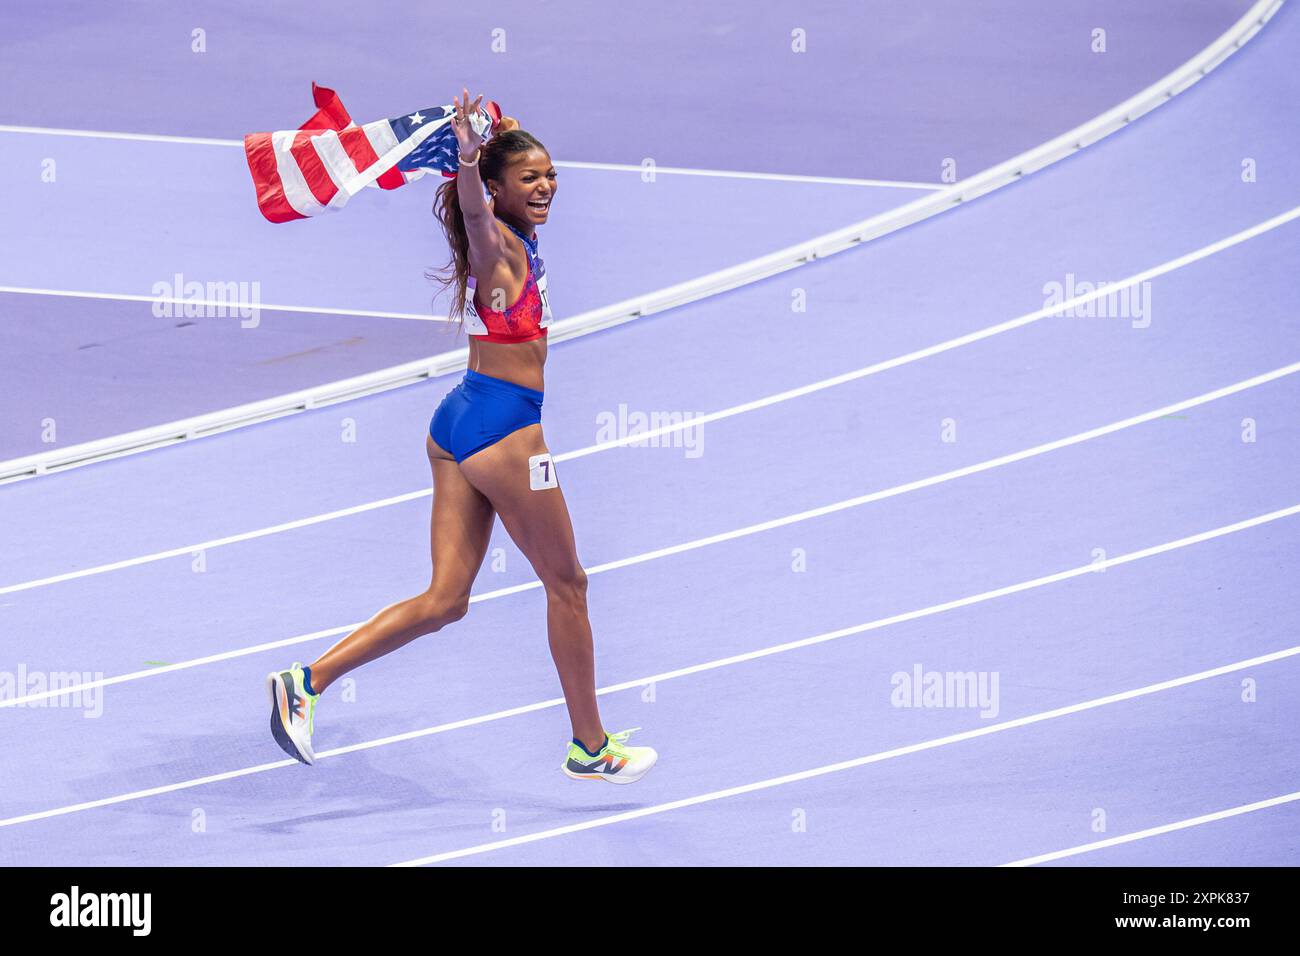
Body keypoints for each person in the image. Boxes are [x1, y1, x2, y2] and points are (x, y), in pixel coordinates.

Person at [266, 88, 657, 785]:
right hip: (504, 431)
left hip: (459, 421)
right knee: (568, 584)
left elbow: (480, 211)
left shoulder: (518, 243)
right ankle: (590, 748)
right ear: (499, 190)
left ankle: (306, 682)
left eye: (549, 174)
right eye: (530, 178)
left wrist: (489, 151)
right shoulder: (494, 244)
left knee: (446, 600)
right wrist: (471, 163)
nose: (546, 187)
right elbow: (473, 212)